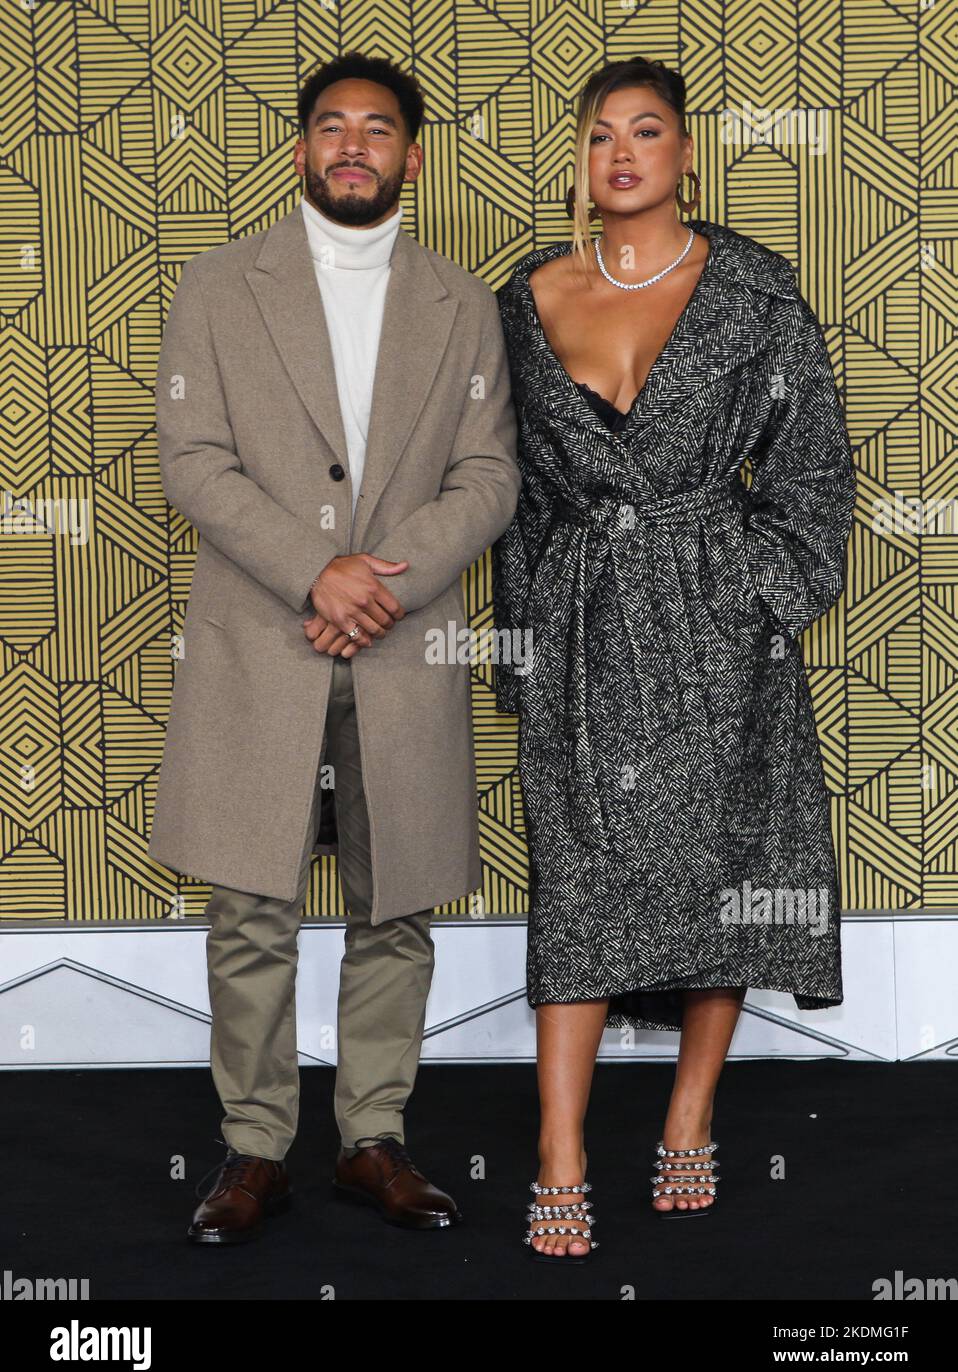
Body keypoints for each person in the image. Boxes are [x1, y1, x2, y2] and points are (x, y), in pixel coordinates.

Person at [148, 51, 520, 1244]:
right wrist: (319, 572)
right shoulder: (216, 287)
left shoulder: (461, 302)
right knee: (249, 903)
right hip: (266, 632)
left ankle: (373, 1137)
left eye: (377, 128)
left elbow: (489, 474)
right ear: (302, 148)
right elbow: (192, 458)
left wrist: (376, 582)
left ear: (412, 154)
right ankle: (253, 1149)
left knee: (396, 898)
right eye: (329, 126)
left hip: (403, 643)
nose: (352, 144)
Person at [492, 55, 856, 1260]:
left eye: (646, 131)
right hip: (586, 625)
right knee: (581, 882)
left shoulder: (753, 291)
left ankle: (690, 1114)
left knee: (721, 859)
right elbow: (515, 501)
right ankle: (558, 1147)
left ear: (687, 152)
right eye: (600, 135)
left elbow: (810, 468)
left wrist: (762, 591)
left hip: (716, 625)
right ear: (582, 159)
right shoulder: (527, 297)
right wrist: (525, 636)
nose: (622, 153)